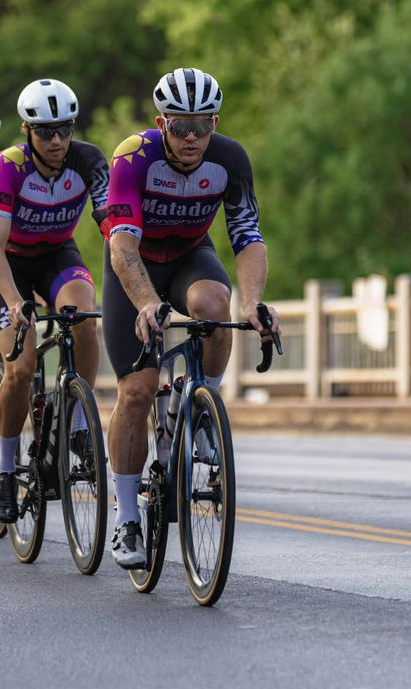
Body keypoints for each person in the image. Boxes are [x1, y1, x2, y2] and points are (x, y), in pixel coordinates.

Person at [98, 67, 280, 568]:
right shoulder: (134, 157)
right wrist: (144, 304)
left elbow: (247, 235)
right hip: (133, 264)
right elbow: (122, 246)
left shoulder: (230, 158)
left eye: (203, 124)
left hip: (189, 255)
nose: (193, 137)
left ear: (215, 122)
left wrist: (253, 303)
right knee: (136, 390)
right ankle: (127, 516)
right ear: (162, 124)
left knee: (215, 307)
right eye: (180, 126)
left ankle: (203, 403)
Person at [0, 79, 108, 523]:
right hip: (10, 264)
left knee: (84, 318)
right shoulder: (8, 166)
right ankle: (3, 470)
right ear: (27, 131)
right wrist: (15, 302)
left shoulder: (89, 159)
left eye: (64, 130)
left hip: (57, 254)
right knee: (21, 369)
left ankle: (76, 425)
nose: (57, 141)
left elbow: (114, 224)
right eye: (46, 132)